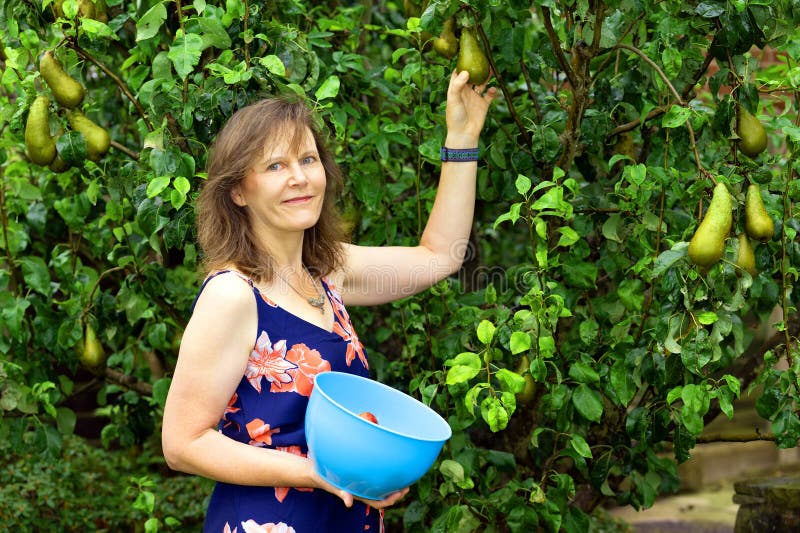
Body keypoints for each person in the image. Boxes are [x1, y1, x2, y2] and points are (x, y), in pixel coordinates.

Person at [161, 68, 497, 533]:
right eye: (275, 166)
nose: (299, 178)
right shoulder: (232, 295)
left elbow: (440, 256)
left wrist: (462, 137)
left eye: (308, 159)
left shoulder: (327, 275)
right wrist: (314, 475)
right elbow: (182, 443)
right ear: (238, 190)